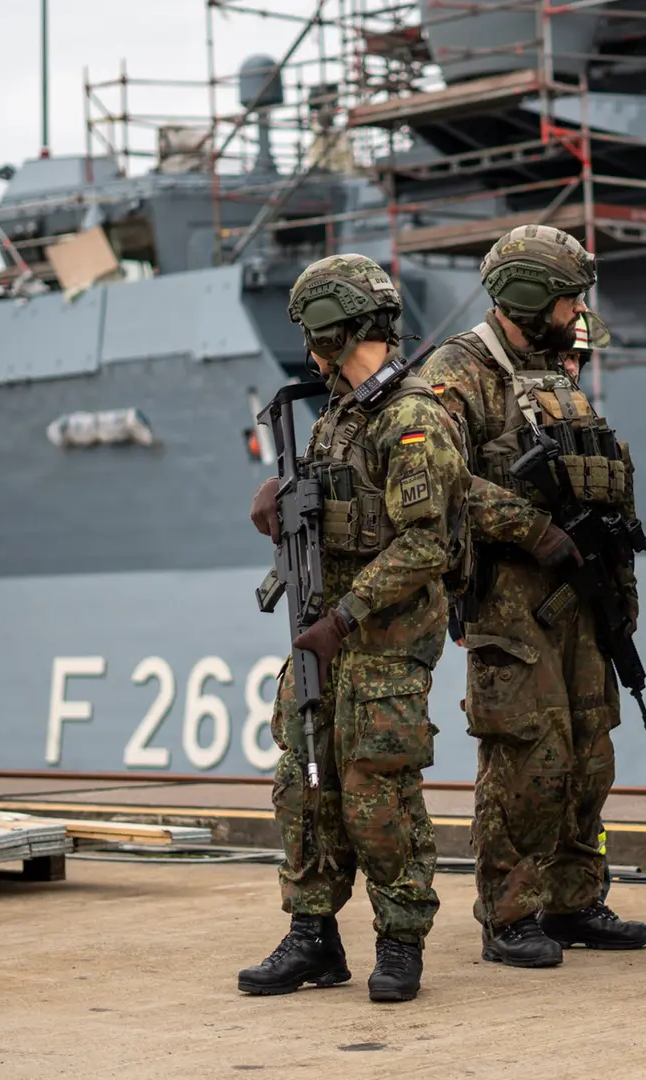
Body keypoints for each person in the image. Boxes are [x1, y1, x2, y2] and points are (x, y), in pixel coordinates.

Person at [419, 224, 646, 968]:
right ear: (527, 297)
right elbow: (436, 477)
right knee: (526, 761)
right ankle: (510, 913)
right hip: (511, 602)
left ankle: (576, 900)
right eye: (565, 298)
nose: (575, 311)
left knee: (589, 756)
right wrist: (528, 527)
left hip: (580, 598)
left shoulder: (557, 372)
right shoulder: (458, 372)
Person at [237, 253, 466, 1003]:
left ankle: (400, 942)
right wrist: (283, 502)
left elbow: (426, 543)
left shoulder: (411, 417)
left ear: (334, 329)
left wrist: (347, 615)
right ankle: (313, 936)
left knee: (378, 795)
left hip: (382, 643)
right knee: (302, 783)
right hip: (322, 634)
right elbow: (334, 513)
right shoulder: (340, 414)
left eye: (313, 333)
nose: (308, 351)